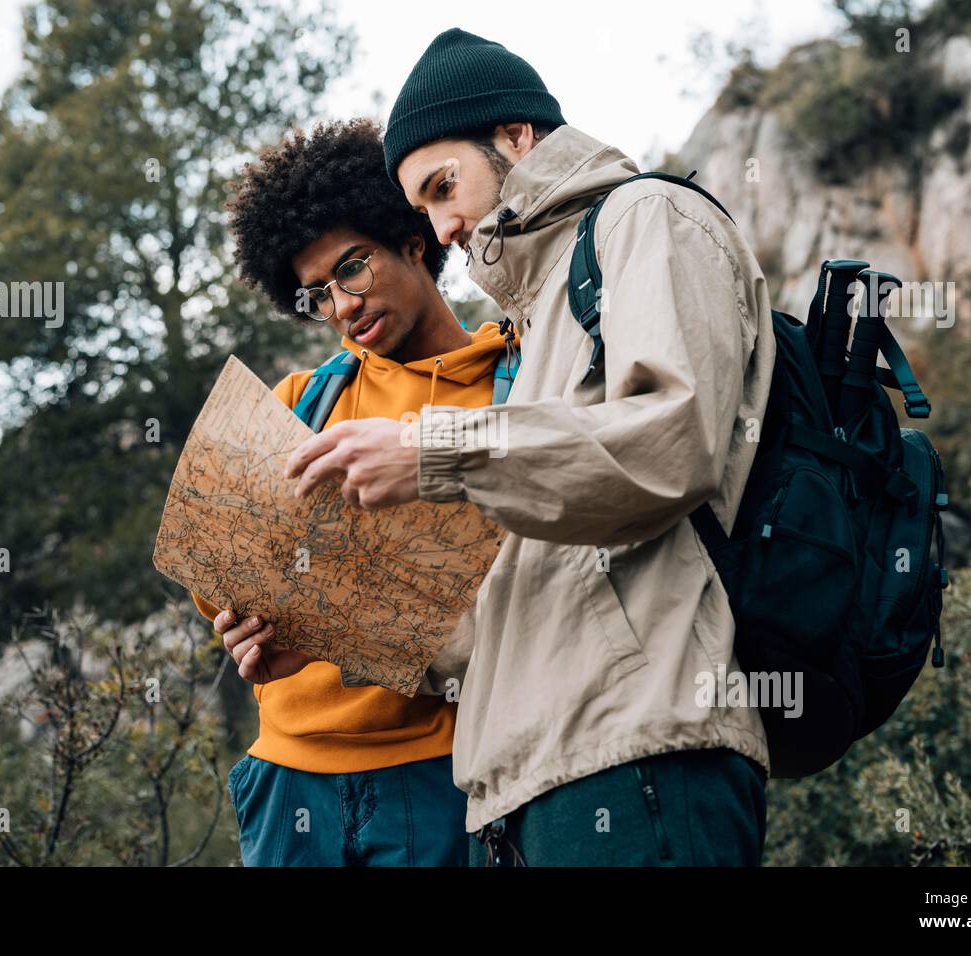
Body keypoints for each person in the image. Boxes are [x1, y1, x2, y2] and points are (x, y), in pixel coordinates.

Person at [280, 28, 778, 866]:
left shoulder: (645, 217)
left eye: (444, 186)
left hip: (637, 750)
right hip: (514, 793)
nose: (442, 229)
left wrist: (433, 452)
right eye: (424, 208)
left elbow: (672, 441)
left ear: (517, 135)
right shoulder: (534, 321)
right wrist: (326, 629)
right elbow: (515, 602)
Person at [196, 117, 515, 866]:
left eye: (352, 269)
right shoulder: (300, 401)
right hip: (286, 779)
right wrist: (239, 624)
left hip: (437, 777)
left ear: (414, 242)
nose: (341, 306)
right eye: (316, 294)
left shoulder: (516, 389)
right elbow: (216, 575)